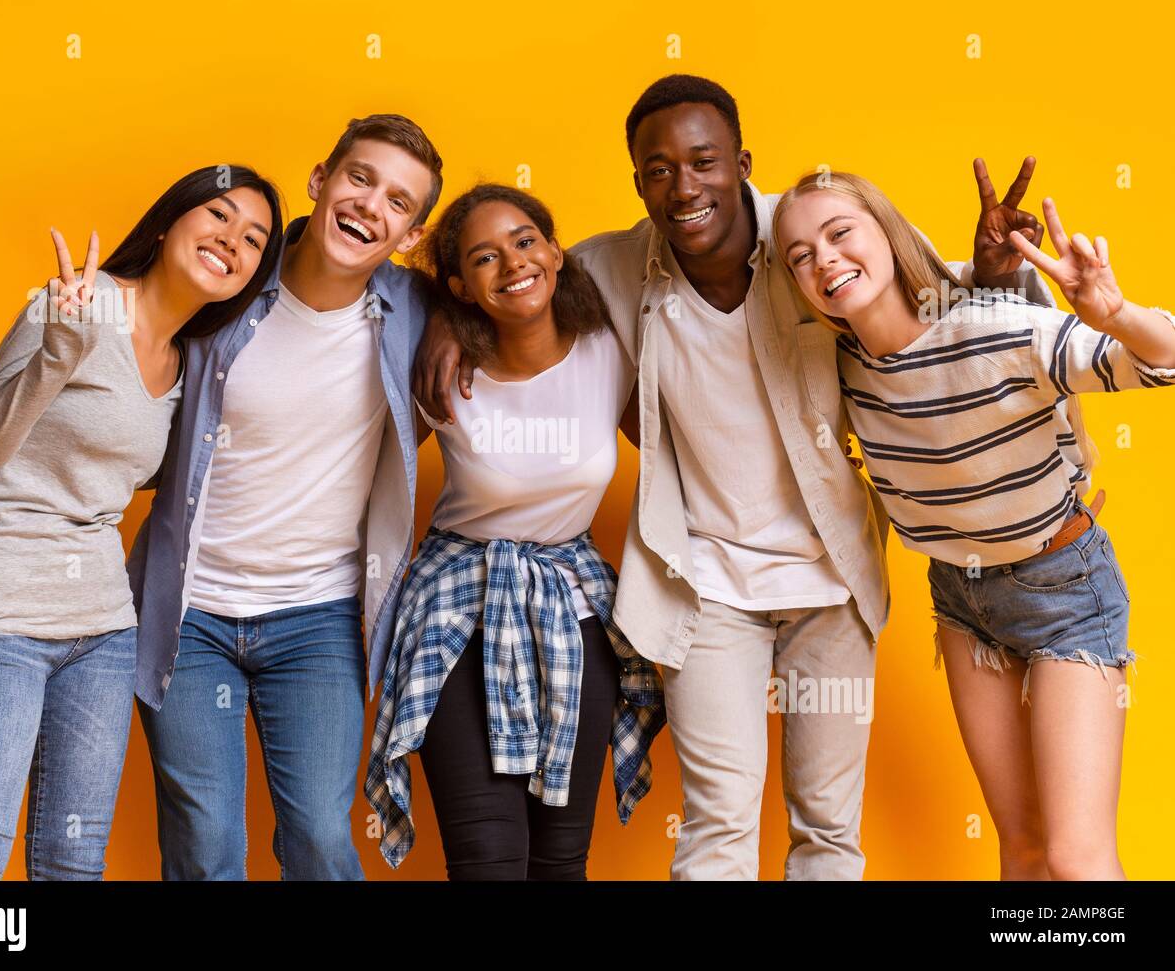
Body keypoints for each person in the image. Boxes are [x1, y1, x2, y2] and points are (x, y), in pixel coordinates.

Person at [414, 74, 1053, 880]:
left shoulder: (812, 233)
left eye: (704, 161)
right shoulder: (608, 269)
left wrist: (996, 276)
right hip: (705, 585)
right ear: (639, 180)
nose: (685, 187)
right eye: (658, 170)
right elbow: (509, 274)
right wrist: (444, 314)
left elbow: (935, 310)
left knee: (827, 826)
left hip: (830, 582)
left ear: (743, 162)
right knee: (717, 827)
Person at [0, 115, 444, 881]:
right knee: (202, 849)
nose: (373, 205)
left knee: (317, 838)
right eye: (360, 178)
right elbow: (122, 430)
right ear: (320, 180)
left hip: (314, 616)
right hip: (187, 614)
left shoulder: (416, 312)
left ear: (410, 233)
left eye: (400, 202)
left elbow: (520, 303)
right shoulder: (223, 300)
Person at [773, 171, 1175, 880]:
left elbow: (1161, 360)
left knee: (1075, 858)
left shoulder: (1002, 329)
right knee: (1020, 848)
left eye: (840, 234)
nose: (824, 260)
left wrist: (1116, 316)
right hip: (961, 601)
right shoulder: (837, 367)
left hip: (1065, 591)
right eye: (801, 255)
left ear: (892, 236)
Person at [0, 165, 282, 880]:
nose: (230, 241)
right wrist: (59, 349)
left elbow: (134, 471)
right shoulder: (77, 304)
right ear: (167, 221)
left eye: (253, 240)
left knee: (73, 861)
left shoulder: (188, 364)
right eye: (217, 215)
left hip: (104, 629)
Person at [366, 184, 665, 880]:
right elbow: (364, 464)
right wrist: (438, 319)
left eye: (526, 241)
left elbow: (671, 247)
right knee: (487, 861)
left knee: (559, 861)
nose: (513, 264)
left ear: (557, 252)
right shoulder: (438, 370)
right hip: (456, 610)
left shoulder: (610, 349)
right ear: (459, 287)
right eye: (484, 258)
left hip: (571, 604)